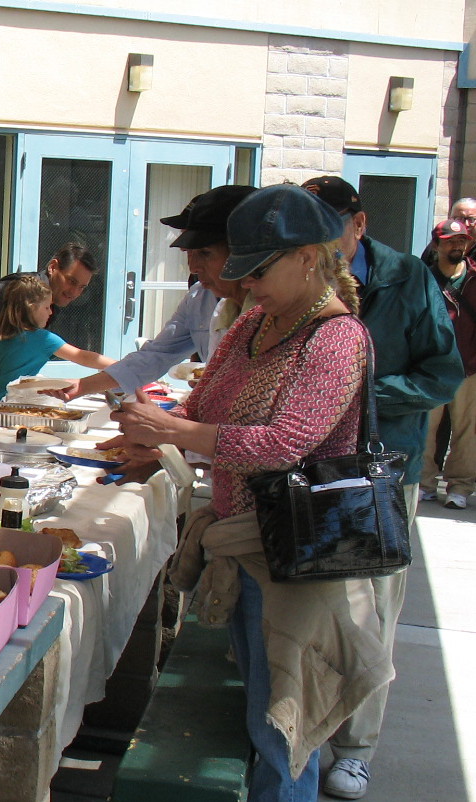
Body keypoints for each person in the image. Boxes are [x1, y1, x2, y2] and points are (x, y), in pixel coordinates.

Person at [107, 184, 393, 802]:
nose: (245, 282)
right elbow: (204, 403)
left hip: (296, 562)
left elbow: (287, 442)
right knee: (264, 718)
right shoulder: (251, 326)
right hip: (242, 548)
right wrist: (154, 445)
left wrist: (178, 432)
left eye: (258, 269)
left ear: (310, 259)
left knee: (284, 733)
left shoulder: (339, 339)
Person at [300, 175, 462, 800]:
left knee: (376, 610)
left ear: (359, 223)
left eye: (328, 224)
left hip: (386, 469)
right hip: (313, 469)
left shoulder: (408, 279)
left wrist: (366, 393)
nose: (316, 239)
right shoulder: (305, 276)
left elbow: (442, 374)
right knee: (318, 604)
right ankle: (310, 728)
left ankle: (357, 748)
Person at [45, 186, 256, 401]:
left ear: (242, 251)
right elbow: (157, 354)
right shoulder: (198, 298)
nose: (193, 267)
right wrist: (82, 386)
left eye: (205, 253)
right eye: (188, 253)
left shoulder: (273, 313)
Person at [0, 243, 99, 379]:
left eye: (82, 287)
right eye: (71, 281)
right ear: (53, 267)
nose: (74, 292)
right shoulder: (22, 289)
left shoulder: (53, 301)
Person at [0, 275, 113, 401]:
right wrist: (119, 366)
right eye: (47, 307)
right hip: (18, 402)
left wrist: (6, 375)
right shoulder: (44, 339)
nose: (50, 312)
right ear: (31, 308)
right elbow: (82, 356)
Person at [421, 218, 476, 509]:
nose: (457, 245)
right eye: (450, 240)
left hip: (469, 367)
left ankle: (460, 486)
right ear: (437, 243)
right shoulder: (423, 279)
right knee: (426, 428)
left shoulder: (475, 279)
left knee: (467, 431)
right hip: (433, 368)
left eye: (462, 240)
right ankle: (425, 483)